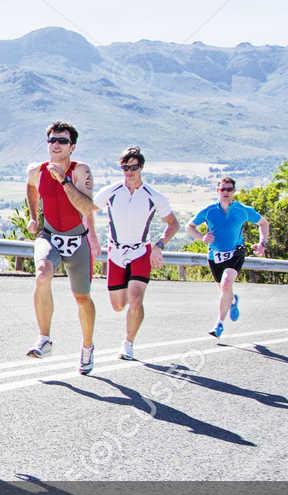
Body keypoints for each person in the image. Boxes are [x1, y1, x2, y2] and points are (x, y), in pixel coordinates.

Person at [23, 121, 100, 374]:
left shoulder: (80, 171)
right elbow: (31, 188)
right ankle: (44, 338)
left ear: (72, 146)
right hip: (50, 235)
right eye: (52, 140)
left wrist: (64, 180)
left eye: (62, 141)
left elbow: (87, 208)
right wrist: (34, 217)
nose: (56, 144)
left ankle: (87, 346)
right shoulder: (36, 170)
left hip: (77, 241)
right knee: (43, 272)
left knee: (82, 298)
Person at [92, 146, 179, 361]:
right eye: (125, 167)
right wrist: (92, 238)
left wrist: (159, 245)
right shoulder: (110, 192)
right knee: (118, 305)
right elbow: (87, 211)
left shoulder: (153, 196)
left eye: (133, 167)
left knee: (136, 299)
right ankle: (130, 320)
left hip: (141, 251)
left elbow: (173, 224)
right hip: (116, 253)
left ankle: (128, 343)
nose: (129, 172)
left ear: (141, 167)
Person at [184, 176, 270, 338]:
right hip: (214, 255)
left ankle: (219, 325)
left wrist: (262, 244)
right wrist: (202, 237)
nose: (226, 192)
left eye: (229, 189)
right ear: (218, 191)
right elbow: (190, 227)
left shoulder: (242, 210)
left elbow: (264, 223)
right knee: (224, 290)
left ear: (234, 191)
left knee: (226, 284)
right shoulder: (210, 210)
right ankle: (232, 301)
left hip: (236, 252)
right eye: (223, 189)